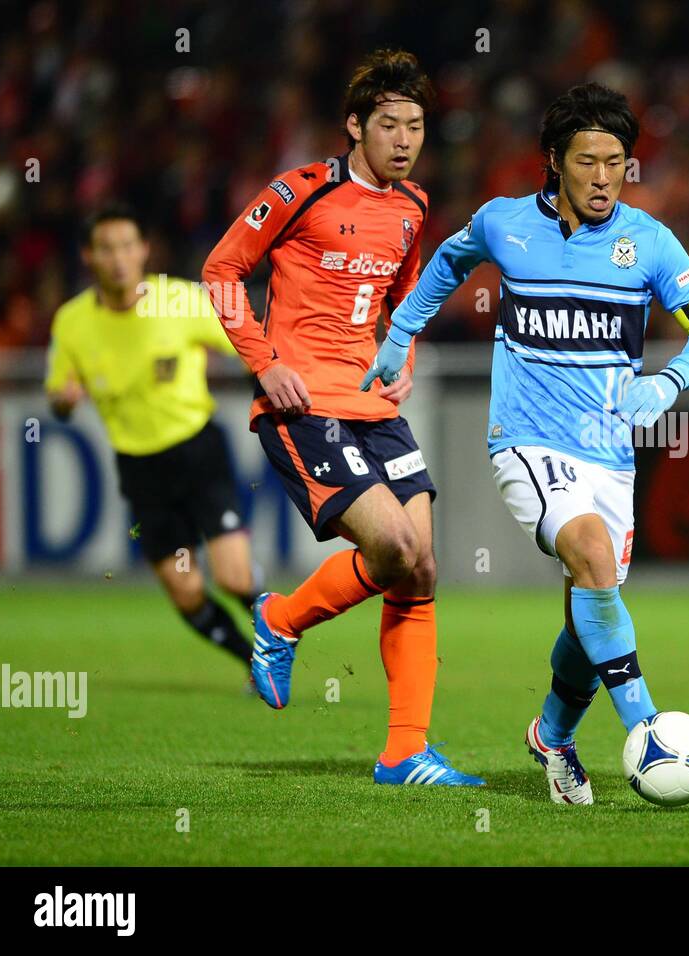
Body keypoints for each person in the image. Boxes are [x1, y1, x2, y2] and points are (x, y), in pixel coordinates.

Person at [364, 82, 689, 804]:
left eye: (618, 162)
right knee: (591, 556)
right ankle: (650, 729)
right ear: (554, 162)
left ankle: (553, 736)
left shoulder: (649, 243)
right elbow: (446, 265)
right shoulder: (505, 225)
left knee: (590, 618)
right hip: (526, 440)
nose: (604, 178)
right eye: (589, 161)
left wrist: (668, 382)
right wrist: (401, 332)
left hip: (610, 453)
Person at [202, 48, 482, 786]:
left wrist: (405, 358)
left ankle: (404, 753)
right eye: (389, 125)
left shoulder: (414, 207)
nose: (404, 140)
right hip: (303, 406)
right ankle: (281, 620)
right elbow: (221, 272)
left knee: (419, 568)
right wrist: (264, 363)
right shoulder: (300, 190)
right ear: (354, 125)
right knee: (392, 545)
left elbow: (408, 294)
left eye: (416, 127)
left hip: (373, 404)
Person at [46, 203, 257, 674]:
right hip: (140, 470)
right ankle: (253, 660)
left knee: (235, 577)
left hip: (198, 451)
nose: (118, 258)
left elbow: (246, 345)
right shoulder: (72, 322)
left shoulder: (179, 300)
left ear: (143, 249)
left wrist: (261, 380)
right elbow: (58, 398)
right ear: (88, 256)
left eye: (126, 246)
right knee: (186, 592)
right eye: (106, 248)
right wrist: (64, 400)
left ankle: (280, 634)